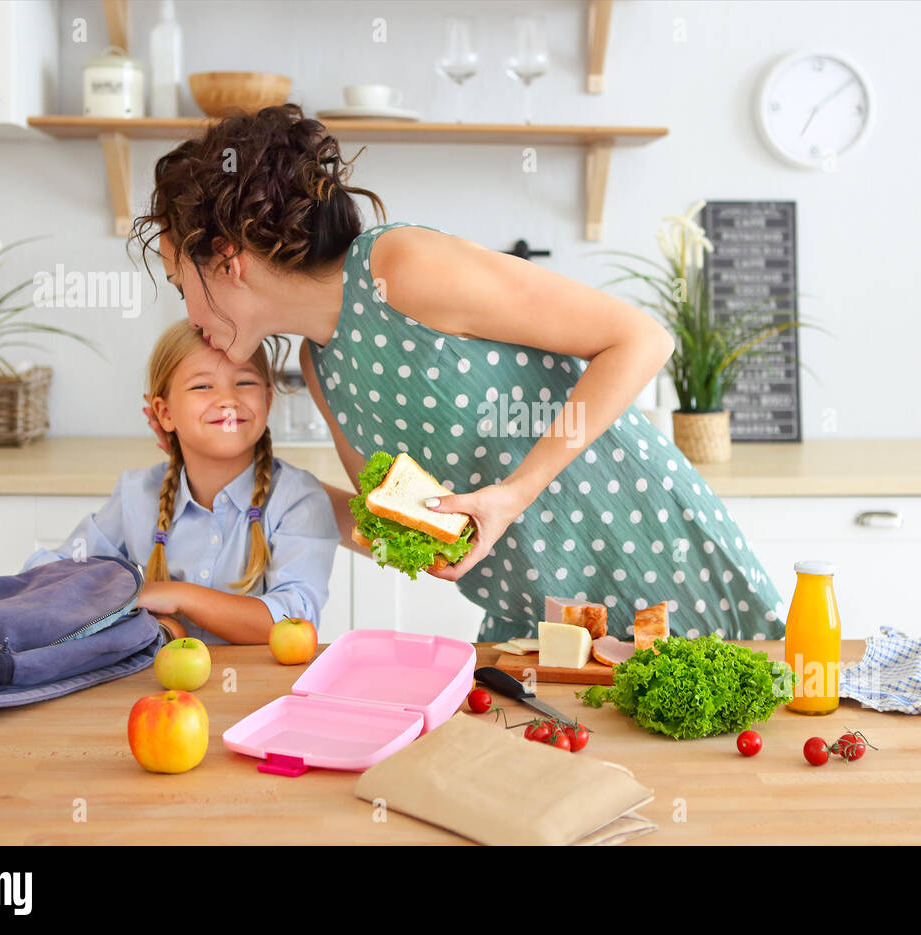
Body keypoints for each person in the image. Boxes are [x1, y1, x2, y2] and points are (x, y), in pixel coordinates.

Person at [132, 103, 789, 643]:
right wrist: (240, 479)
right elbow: (392, 526)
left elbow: (639, 339)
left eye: (178, 280)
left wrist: (517, 491)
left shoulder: (399, 267)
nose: (187, 312)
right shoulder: (321, 365)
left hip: (645, 548)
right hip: (537, 615)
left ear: (228, 258)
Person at [23, 319, 339, 644]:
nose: (227, 400)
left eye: (245, 382)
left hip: (261, 693)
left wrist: (176, 596)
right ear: (165, 413)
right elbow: (54, 573)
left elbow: (293, 623)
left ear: (268, 401)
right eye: (203, 386)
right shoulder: (137, 492)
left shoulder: (299, 498)